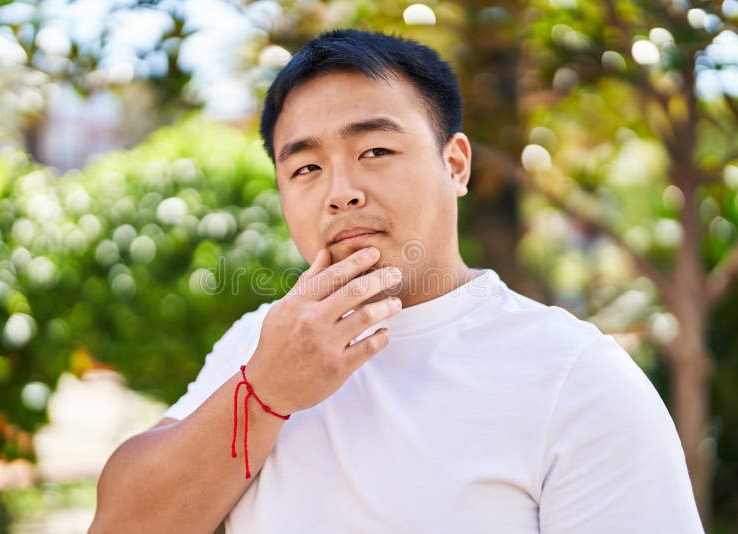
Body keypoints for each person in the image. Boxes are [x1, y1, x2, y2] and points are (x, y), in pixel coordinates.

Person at [91, 29, 703, 533]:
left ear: (454, 164)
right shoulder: (260, 343)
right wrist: (267, 391)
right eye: (306, 168)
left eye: (375, 152)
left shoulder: (575, 376)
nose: (341, 192)